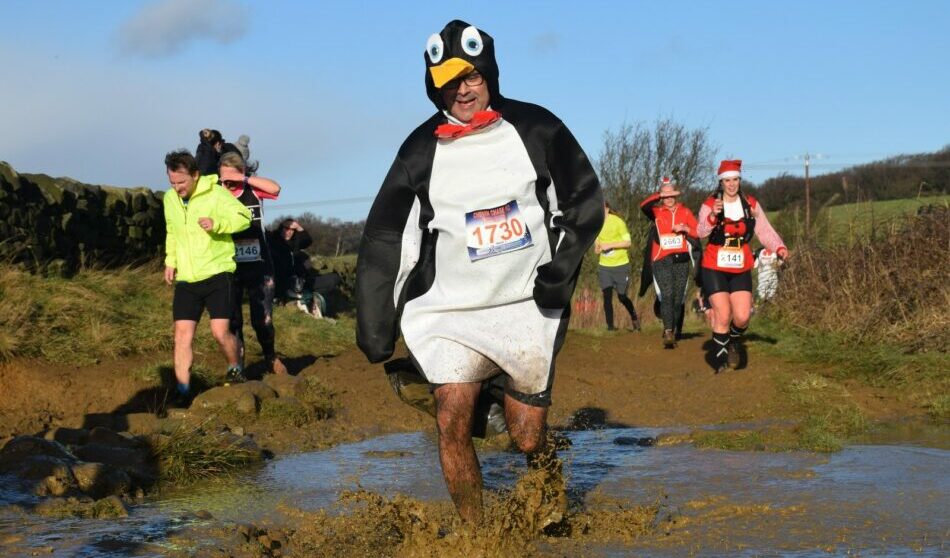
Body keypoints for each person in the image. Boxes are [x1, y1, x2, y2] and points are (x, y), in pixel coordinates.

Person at [355, 20, 603, 524]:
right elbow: (387, 236)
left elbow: (582, 200)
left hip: (525, 303)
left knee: (527, 434)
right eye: (448, 81)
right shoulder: (419, 150)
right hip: (451, 309)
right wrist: (374, 319)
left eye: (470, 77)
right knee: (450, 416)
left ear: (488, 71)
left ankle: (550, 495)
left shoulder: (536, 128)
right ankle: (478, 535)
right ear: (433, 86)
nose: (461, 90)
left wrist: (561, 267)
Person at [162, 149, 251, 402]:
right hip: (187, 278)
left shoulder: (216, 193)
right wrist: (170, 261)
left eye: (182, 182)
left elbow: (244, 217)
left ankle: (235, 368)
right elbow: (172, 231)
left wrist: (217, 224)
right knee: (181, 335)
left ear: (196, 175)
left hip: (217, 272)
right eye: (172, 183)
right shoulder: (170, 199)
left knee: (219, 332)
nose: (177, 188)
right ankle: (182, 391)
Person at [697, 160, 788, 373]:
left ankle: (733, 341)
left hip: (740, 265)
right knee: (723, 313)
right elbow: (700, 232)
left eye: (735, 179)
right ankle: (719, 364)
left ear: (740, 180)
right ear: (721, 182)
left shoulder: (750, 204)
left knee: (743, 316)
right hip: (714, 266)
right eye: (727, 180)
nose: (731, 184)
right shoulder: (710, 203)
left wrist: (780, 248)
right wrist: (711, 217)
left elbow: (765, 231)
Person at [219, 152, 288, 376]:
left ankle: (270, 357)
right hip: (230, 266)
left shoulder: (252, 190)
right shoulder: (217, 194)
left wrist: (244, 180)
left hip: (260, 266)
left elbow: (275, 188)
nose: (227, 184)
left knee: (263, 320)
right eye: (223, 178)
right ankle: (238, 366)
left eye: (232, 178)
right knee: (233, 321)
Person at [639, 177, 698, 347]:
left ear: (677, 195)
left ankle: (673, 328)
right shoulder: (656, 211)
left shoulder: (685, 212)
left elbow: (698, 231)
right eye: (666, 195)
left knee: (678, 299)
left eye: (672, 194)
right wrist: (659, 194)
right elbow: (643, 206)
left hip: (682, 260)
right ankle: (668, 331)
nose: (669, 197)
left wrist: (686, 229)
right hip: (661, 259)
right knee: (667, 294)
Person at [268, 219, 342, 318]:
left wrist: (298, 227)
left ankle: (309, 297)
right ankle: (298, 299)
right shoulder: (274, 243)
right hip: (283, 283)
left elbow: (307, 241)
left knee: (334, 278)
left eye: (292, 230)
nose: (288, 232)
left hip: (301, 282)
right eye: (286, 229)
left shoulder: (295, 245)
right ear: (281, 229)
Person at [594, 202, 640, 331]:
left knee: (621, 296)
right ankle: (610, 327)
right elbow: (596, 246)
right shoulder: (595, 224)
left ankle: (634, 316)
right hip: (604, 266)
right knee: (606, 295)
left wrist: (610, 245)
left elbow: (628, 243)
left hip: (620, 265)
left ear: (607, 209)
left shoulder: (618, 222)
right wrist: (597, 249)